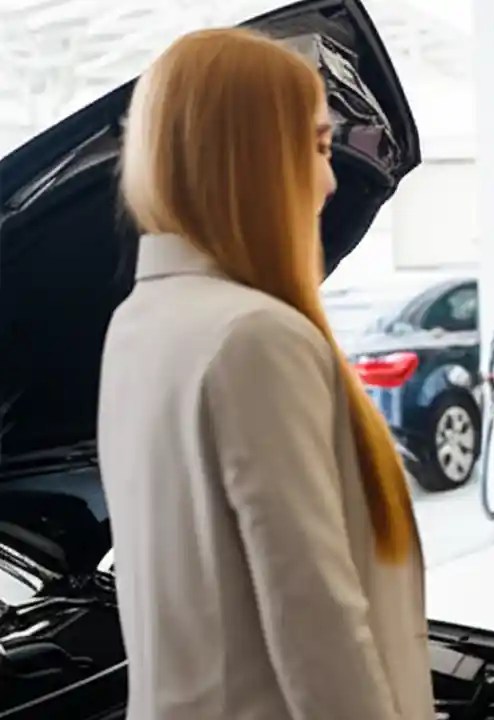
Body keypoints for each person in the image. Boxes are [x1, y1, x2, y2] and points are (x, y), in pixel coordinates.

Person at [97, 28, 433, 720]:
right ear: (249, 159)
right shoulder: (254, 337)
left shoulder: (138, 322)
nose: (333, 179)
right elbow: (315, 616)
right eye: (315, 145)